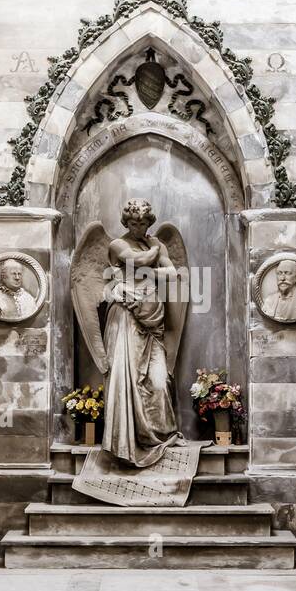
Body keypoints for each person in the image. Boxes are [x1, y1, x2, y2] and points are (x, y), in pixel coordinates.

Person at [102, 199, 182, 468]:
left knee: (159, 381)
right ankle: (129, 439)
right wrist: (156, 251)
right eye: (133, 223)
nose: (138, 227)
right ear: (126, 222)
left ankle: (161, 434)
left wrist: (154, 260)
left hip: (152, 320)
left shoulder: (155, 244)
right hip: (125, 317)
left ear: (150, 222)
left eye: (144, 223)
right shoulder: (118, 245)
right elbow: (140, 261)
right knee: (129, 379)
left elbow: (173, 274)